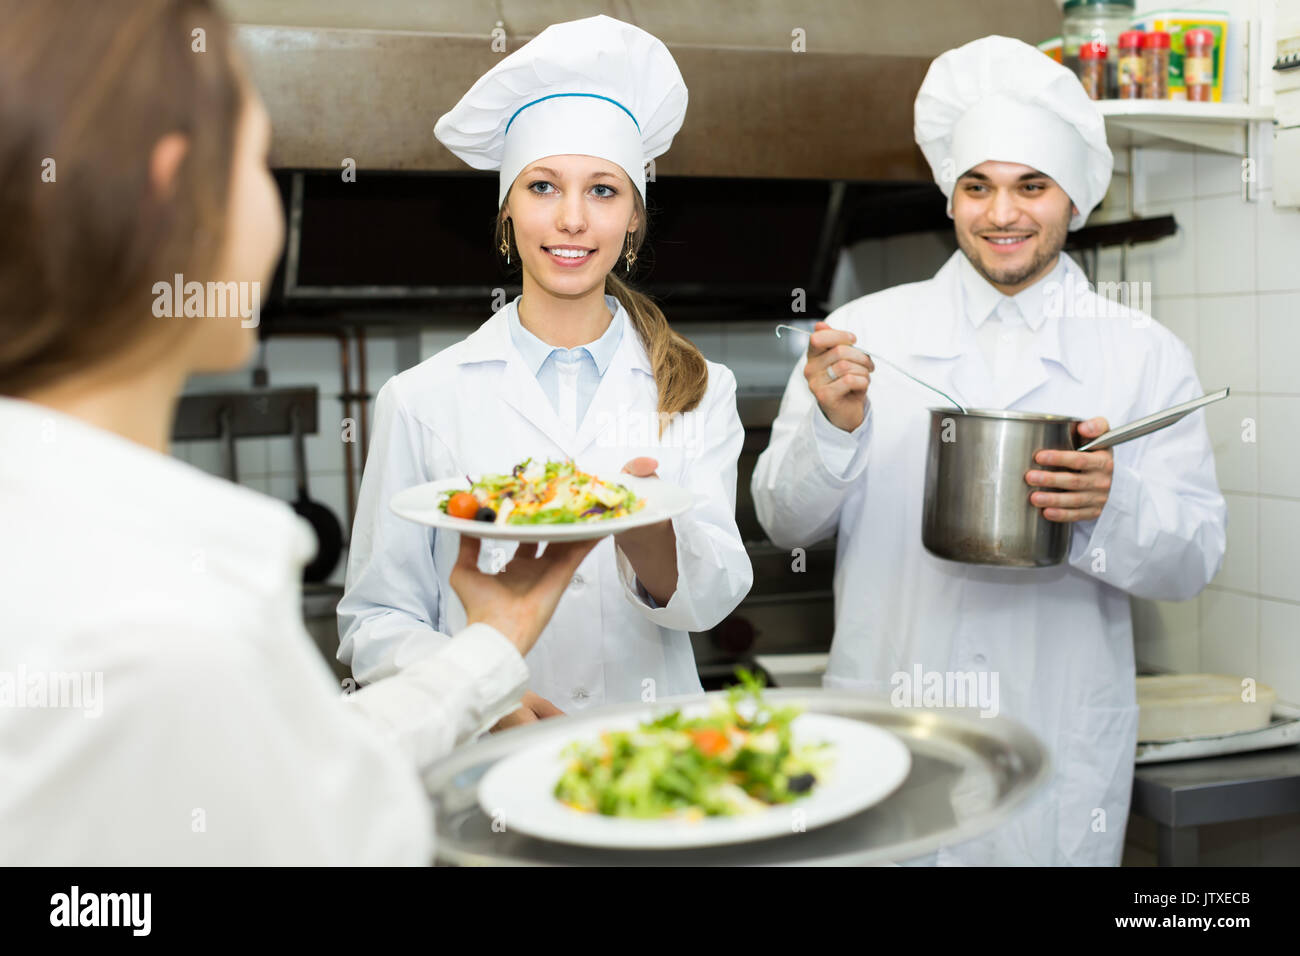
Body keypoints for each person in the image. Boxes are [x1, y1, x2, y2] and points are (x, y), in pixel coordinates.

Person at [0, 0, 597, 865]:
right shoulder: (165, 625)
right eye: (257, 160)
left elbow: (307, 773)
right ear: (173, 196)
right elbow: (323, 828)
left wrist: (489, 648)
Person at [752, 35, 1226, 866]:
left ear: (1072, 199)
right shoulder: (867, 336)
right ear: (950, 196)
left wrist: (1107, 507)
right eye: (979, 187)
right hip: (893, 725)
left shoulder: (1142, 354)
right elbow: (783, 524)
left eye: (1030, 186)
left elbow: (1191, 565)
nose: (1002, 214)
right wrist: (835, 428)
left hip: (1055, 733)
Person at [338, 15, 752, 723]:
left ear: (632, 222)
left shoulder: (698, 387)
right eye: (541, 187)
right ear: (505, 215)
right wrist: (478, 688)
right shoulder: (421, 398)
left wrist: (650, 530)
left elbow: (713, 602)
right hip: (484, 760)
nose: (571, 219)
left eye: (602, 190)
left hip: (646, 751)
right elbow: (375, 621)